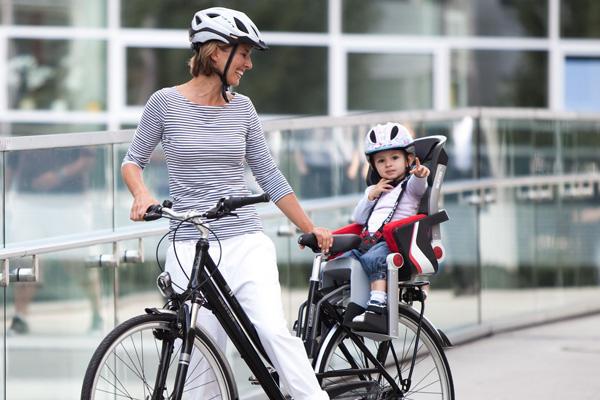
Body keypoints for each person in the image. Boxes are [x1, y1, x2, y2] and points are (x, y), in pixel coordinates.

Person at [121, 7, 331, 400]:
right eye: (244, 53)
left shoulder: (243, 108)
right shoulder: (164, 103)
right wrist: (142, 193)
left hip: (244, 240)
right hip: (188, 245)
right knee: (202, 355)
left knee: (271, 330)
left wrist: (310, 227)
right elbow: (133, 162)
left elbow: (270, 176)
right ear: (216, 52)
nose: (249, 64)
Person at [342, 122, 430, 332]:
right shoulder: (377, 190)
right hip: (368, 240)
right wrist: (371, 196)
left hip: (393, 242)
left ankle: (377, 305)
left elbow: (420, 188)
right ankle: (348, 305)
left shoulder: (409, 185)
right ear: (373, 165)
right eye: (381, 160)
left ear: (408, 159)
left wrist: (420, 175)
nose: (388, 164)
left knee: (375, 259)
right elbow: (358, 217)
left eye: (394, 158)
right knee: (346, 259)